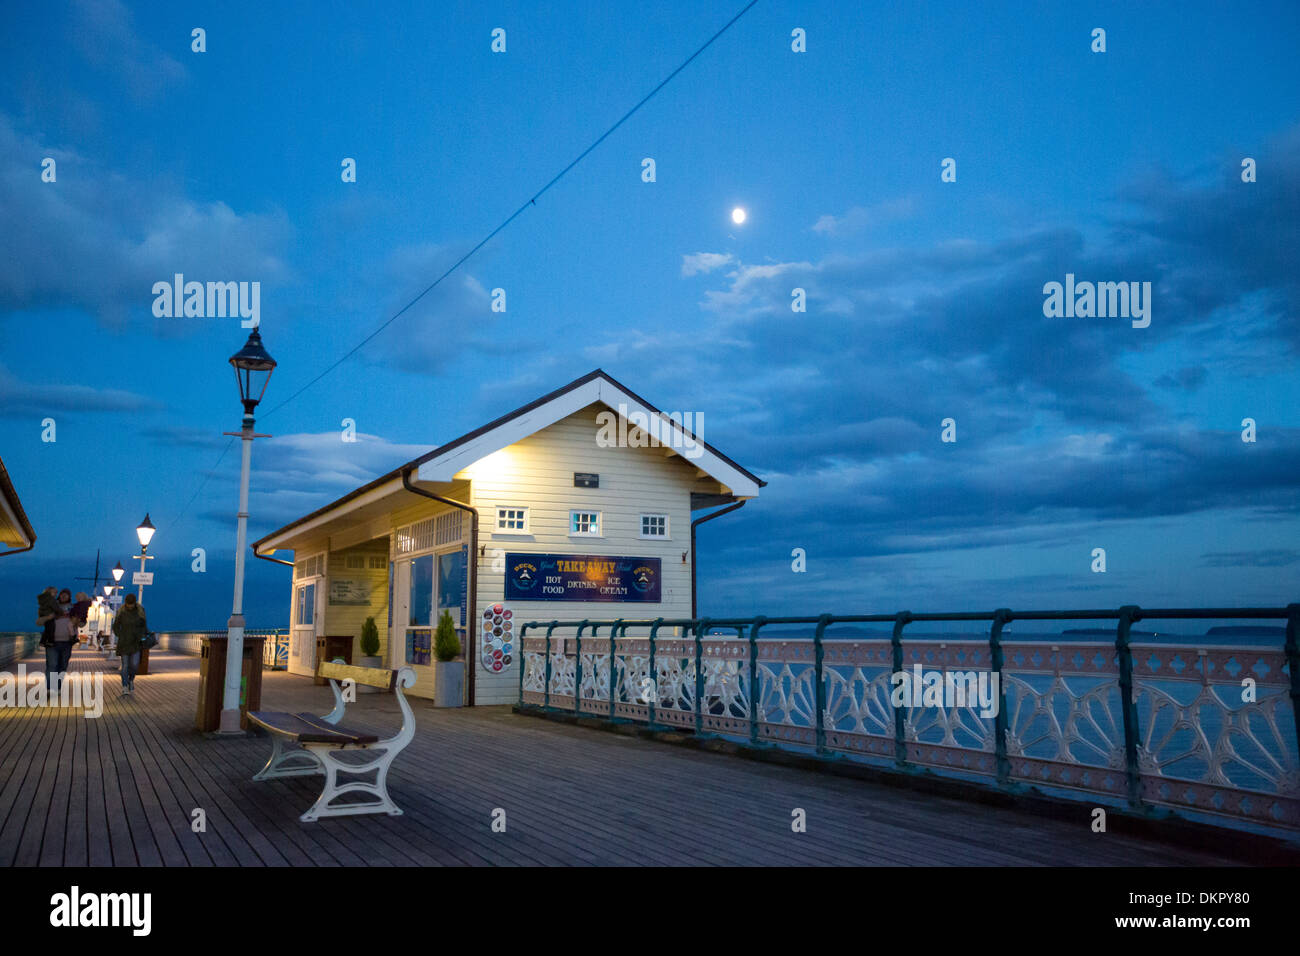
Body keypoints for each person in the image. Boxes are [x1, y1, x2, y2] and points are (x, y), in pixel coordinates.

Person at [112, 594, 147, 695]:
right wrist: (120, 634)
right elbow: (115, 626)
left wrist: (141, 636)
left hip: (136, 643)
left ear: (134, 603)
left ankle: (131, 680)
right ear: (126, 603)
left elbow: (144, 626)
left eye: (131, 605)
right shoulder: (121, 612)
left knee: (135, 665)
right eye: (128, 604)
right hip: (124, 643)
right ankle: (124, 686)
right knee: (125, 665)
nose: (130, 606)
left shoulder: (140, 611)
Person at [48, 607, 77, 695]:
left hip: (67, 643)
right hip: (54, 643)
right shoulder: (53, 616)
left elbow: (77, 626)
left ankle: (58, 686)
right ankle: (52, 688)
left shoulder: (72, 616)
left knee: (63, 665)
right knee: (53, 665)